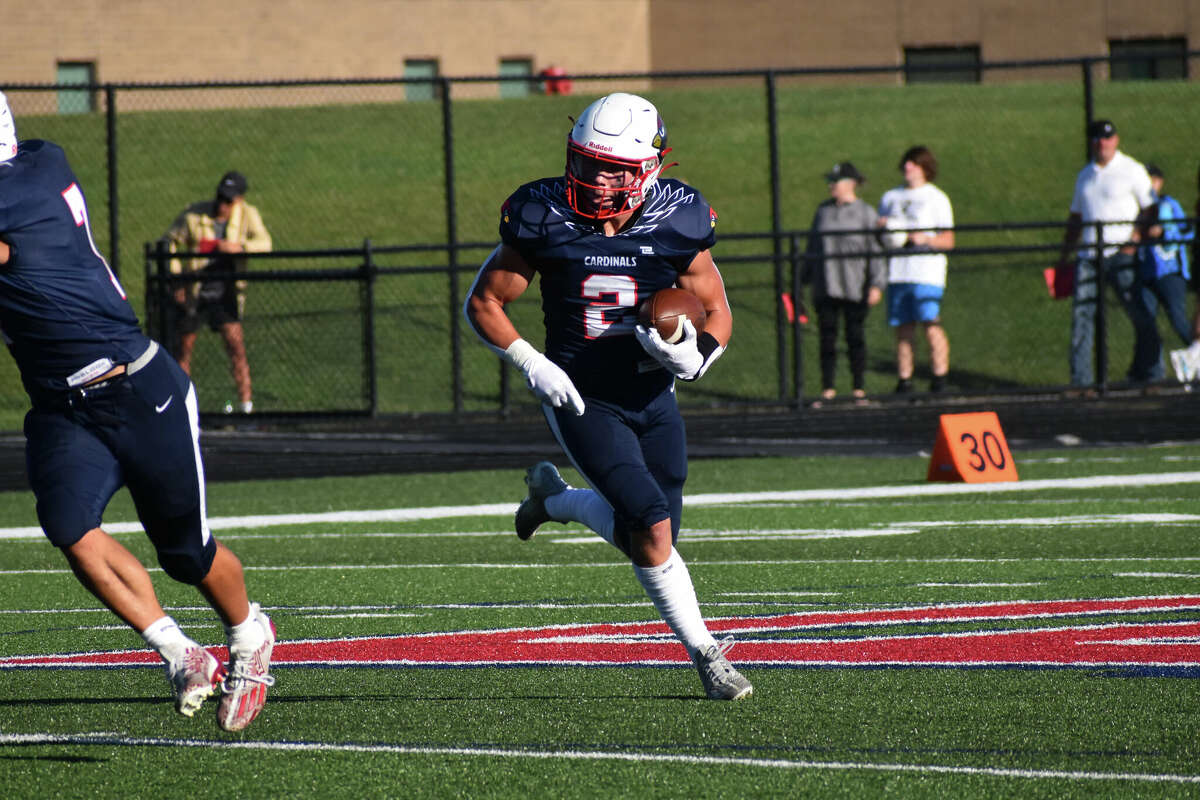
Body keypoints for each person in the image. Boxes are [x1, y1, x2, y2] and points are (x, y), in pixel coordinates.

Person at [463, 92, 752, 701]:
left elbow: (717, 307)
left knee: (651, 532)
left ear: (649, 167)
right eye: (587, 162)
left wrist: (698, 356)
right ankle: (707, 652)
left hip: (654, 396)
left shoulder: (678, 216)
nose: (596, 179)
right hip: (582, 397)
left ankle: (555, 501)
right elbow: (485, 302)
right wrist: (529, 362)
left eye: (613, 168)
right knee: (650, 523)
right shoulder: (543, 215)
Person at [0, 92, 274, 731]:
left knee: (185, 554)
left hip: (137, 388)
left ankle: (249, 631)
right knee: (68, 525)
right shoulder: (39, 164)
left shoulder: (23, 192)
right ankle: (181, 653)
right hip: (63, 407)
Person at [1054, 119, 1159, 388]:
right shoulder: (1085, 175)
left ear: (1116, 140)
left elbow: (1150, 209)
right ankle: (1082, 383)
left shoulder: (1131, 169)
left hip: (1120, 253)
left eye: (1108, 138)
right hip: (1089, 256)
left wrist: (1135, 238)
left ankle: (1152, 373)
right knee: (1082, 317)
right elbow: (1076, 218)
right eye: (1098, 139)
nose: (1103, 143)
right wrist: (1065, 254)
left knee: (1138, 312)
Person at [162, 170, 271, 414]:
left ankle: (246, 407)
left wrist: (239, 247)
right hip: (196, 292)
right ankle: (183, 408)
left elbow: (265, 243)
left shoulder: (247, 215)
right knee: (184, 348)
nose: (222, 205)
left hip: (226, 293)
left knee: (236, 348)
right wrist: (177, 277)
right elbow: (168, 242)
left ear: (240, 200)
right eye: (220, 197)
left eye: (228, 200)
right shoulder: (194, 215)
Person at [803, 161, 885, 405]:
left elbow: (876, 251)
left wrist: (876, 284)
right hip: (826, 285)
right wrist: (802, 279)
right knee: (827, 338)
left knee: (855, 337)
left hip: (854, 286)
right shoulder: (823, 211)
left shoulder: (865, 213)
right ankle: (828, 389)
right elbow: (811, 247)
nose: (831, 186)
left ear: (850, 184)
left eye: (835, 181)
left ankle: (858, 389)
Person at [876, 145, 955, 393]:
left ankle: (939, 378)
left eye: (914, 163)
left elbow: (949, 240)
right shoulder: (890, 198)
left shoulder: (936, 198)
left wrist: (926, 239)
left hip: (926, 273)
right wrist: (882, 229)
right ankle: (904, 381)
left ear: (925, 168)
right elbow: (879, 236)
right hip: (899, 271)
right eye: (906, 162)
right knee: (903, 329)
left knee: (930, 324)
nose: (908, 167)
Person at [1136, 165, 1195, 381]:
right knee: (1146, 322)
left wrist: (1164, 232)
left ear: (1160, 182)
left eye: (1153, 181)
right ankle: (1152, 373)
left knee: (1179, 320)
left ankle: (1196, 356)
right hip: (1147, 273)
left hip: (1171, 272)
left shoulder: (1169, 205)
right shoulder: (1139, 210)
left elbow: (1187, 231)